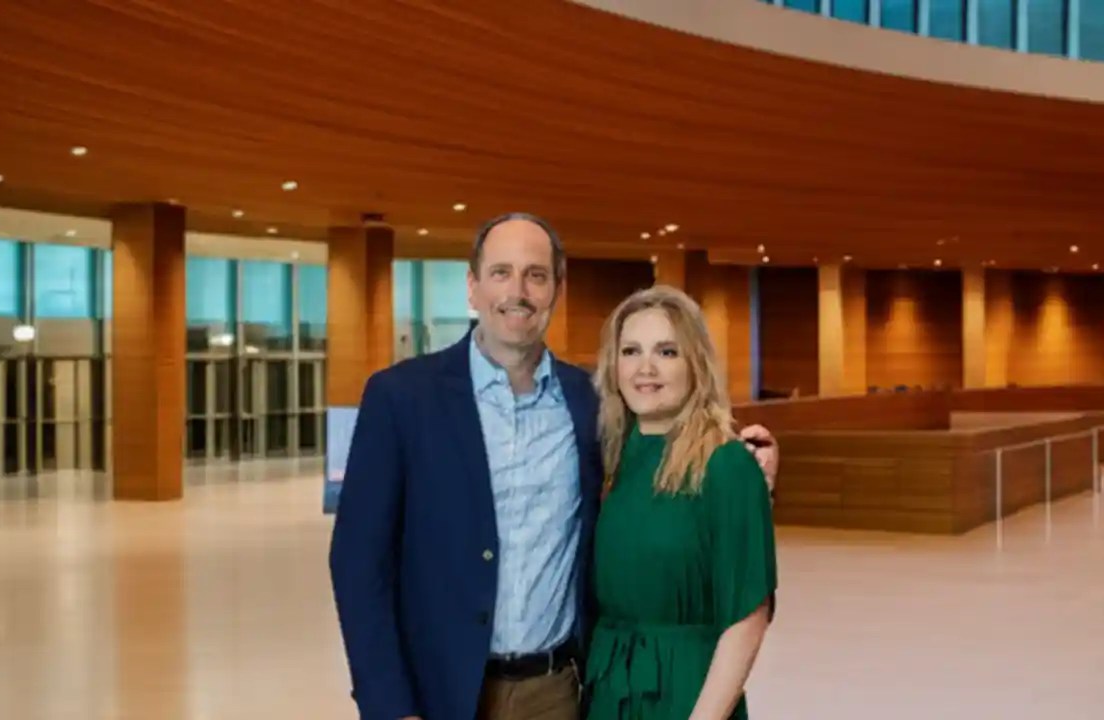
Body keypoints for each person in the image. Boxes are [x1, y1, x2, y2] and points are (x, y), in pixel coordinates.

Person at [328, 212, 779, 720]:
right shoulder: (401, 398)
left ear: (556, 290)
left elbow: (679, 454)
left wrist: (751, 473)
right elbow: (357, 564)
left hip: (559, 692)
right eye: (500, 272)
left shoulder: (589, 403)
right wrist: (389, 706)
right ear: (472, 287)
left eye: (535, 275)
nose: (516, 291)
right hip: (440, 693)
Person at [583, 285, 777, 719]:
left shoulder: (727, 465)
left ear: (696, 364)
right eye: (630, 350)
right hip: (609, 687)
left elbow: (747, 618)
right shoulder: (614, 458)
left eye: (667, 352)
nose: (644, 368)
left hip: (686, 692)